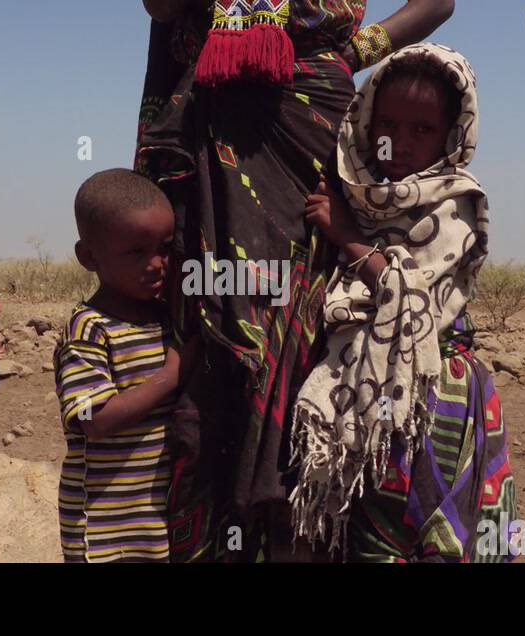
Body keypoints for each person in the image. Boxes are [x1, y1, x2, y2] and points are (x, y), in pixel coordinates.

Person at [135, 0, 455, 562]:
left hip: (315, 116)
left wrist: (353, 54)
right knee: (217, 345)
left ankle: (309, 530)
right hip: (215, 118)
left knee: (315, 334)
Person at [292, 44, 518, 562]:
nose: (401, 143)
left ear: (452, 135)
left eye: (423, 130)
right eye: (388, 125)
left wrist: (350, 241)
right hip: (364, 383)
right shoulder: (355, 190)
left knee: (425, 532)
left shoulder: (456, 201)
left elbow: (412, 294)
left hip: (432, 391)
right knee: (367, 528)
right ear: (366, 123)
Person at [55, 169, 201, 563]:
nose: (157, 264)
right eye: (136, 252)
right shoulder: (88, 328)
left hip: (154, 519)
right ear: (89, 257)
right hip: (105, 527)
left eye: (165, 248)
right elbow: (95, 419)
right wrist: (170, 376)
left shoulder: (167, 317)